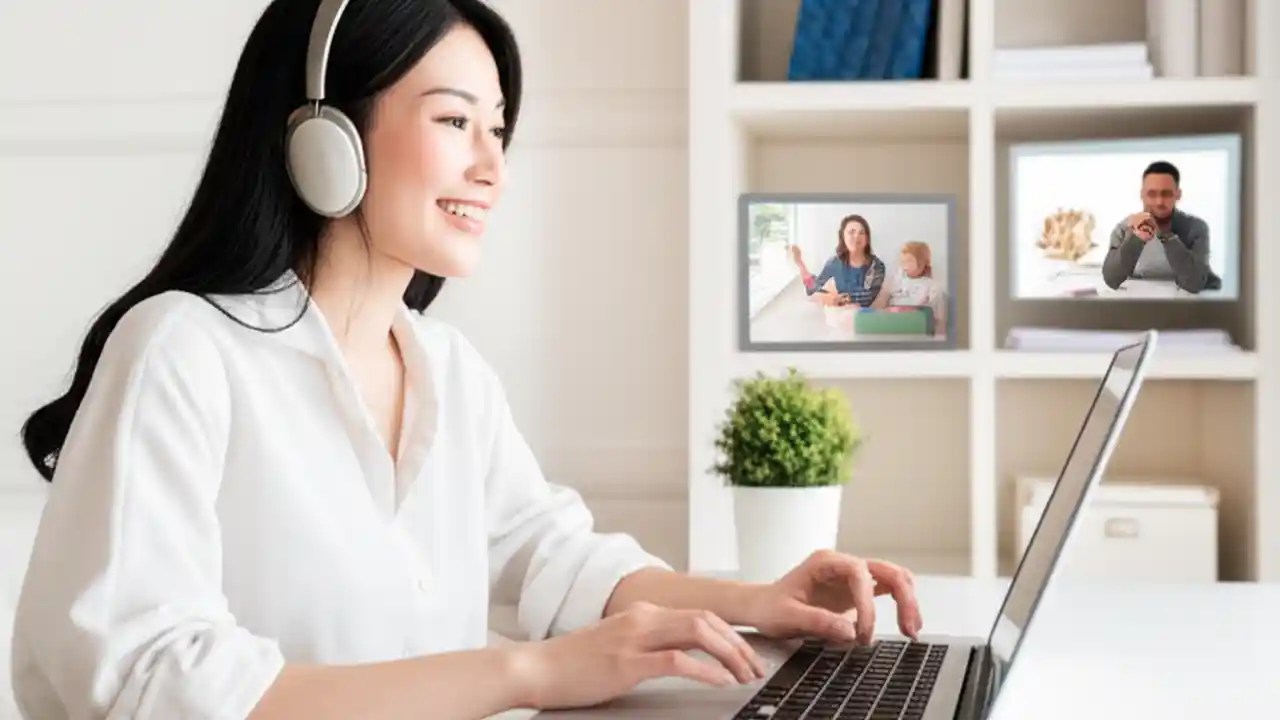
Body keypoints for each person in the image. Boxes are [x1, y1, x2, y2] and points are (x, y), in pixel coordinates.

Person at [10, 2, 923, 718]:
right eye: (456, 122)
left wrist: (758, 601)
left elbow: (551, 559)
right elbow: (154, 683)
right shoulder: (184, 350)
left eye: (499, 131)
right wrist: (528, 673)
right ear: (324, 138)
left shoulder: (448, 370)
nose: (493, 166)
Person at [1101, 160, 1218, 293]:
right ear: (1142, 195)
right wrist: (1135, 239)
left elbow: (1195, 283)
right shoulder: (1124, 228)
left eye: (1166, 194)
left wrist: (1166, 236)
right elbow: (1111, 280)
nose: (1159, 202)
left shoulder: (1196, 228)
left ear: (1178, 194)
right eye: (1152, 194)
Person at [789, 214, 887, 308]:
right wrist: (799, 263)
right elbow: (813, 289)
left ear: (867, 238)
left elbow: (866, 298)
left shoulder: (877, 266)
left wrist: (837, 299)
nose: (856, 236)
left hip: (863, 318)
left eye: (861, 233)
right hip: (838, 317)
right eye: (851, 232)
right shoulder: (834, 263)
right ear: (843, 236)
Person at [873, 241, 946, 336]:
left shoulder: (932, 287)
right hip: (892, 325)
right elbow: (881, 301)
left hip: (917, 328)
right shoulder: (896, 280)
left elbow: (939, 320)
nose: (904, 265)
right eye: (902, 261)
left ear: (922, 262)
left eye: (909, 261)